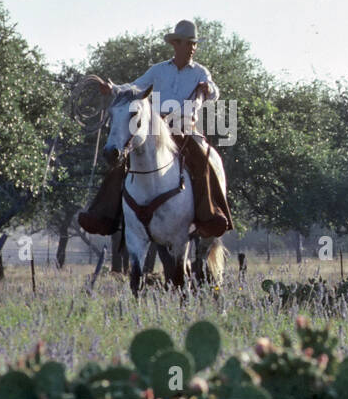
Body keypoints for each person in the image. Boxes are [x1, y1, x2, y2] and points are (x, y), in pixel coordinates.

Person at [78, 20, 232, 238]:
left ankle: (210, 216)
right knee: (121, 161)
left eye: (194, 44)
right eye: (188, 43)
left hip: (187, 131)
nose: (192, 48)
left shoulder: (200, 72)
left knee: (203, 161)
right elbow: (134, 86)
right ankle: (103, 215)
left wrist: (209, 88)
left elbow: (214, 93)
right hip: (157, 131)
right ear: (176, 45)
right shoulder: (158, 70)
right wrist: (112, 89)